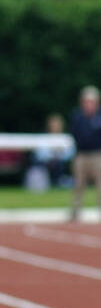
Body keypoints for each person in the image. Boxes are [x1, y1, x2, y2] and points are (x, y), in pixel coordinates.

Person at [68, 85, 101, 220]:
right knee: (78, 185)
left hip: (97, 155)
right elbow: (73, 134)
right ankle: (75, 212)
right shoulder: (77, 117)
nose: (89, 104)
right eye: (86, 101)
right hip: (81, 155)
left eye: (91, 101)